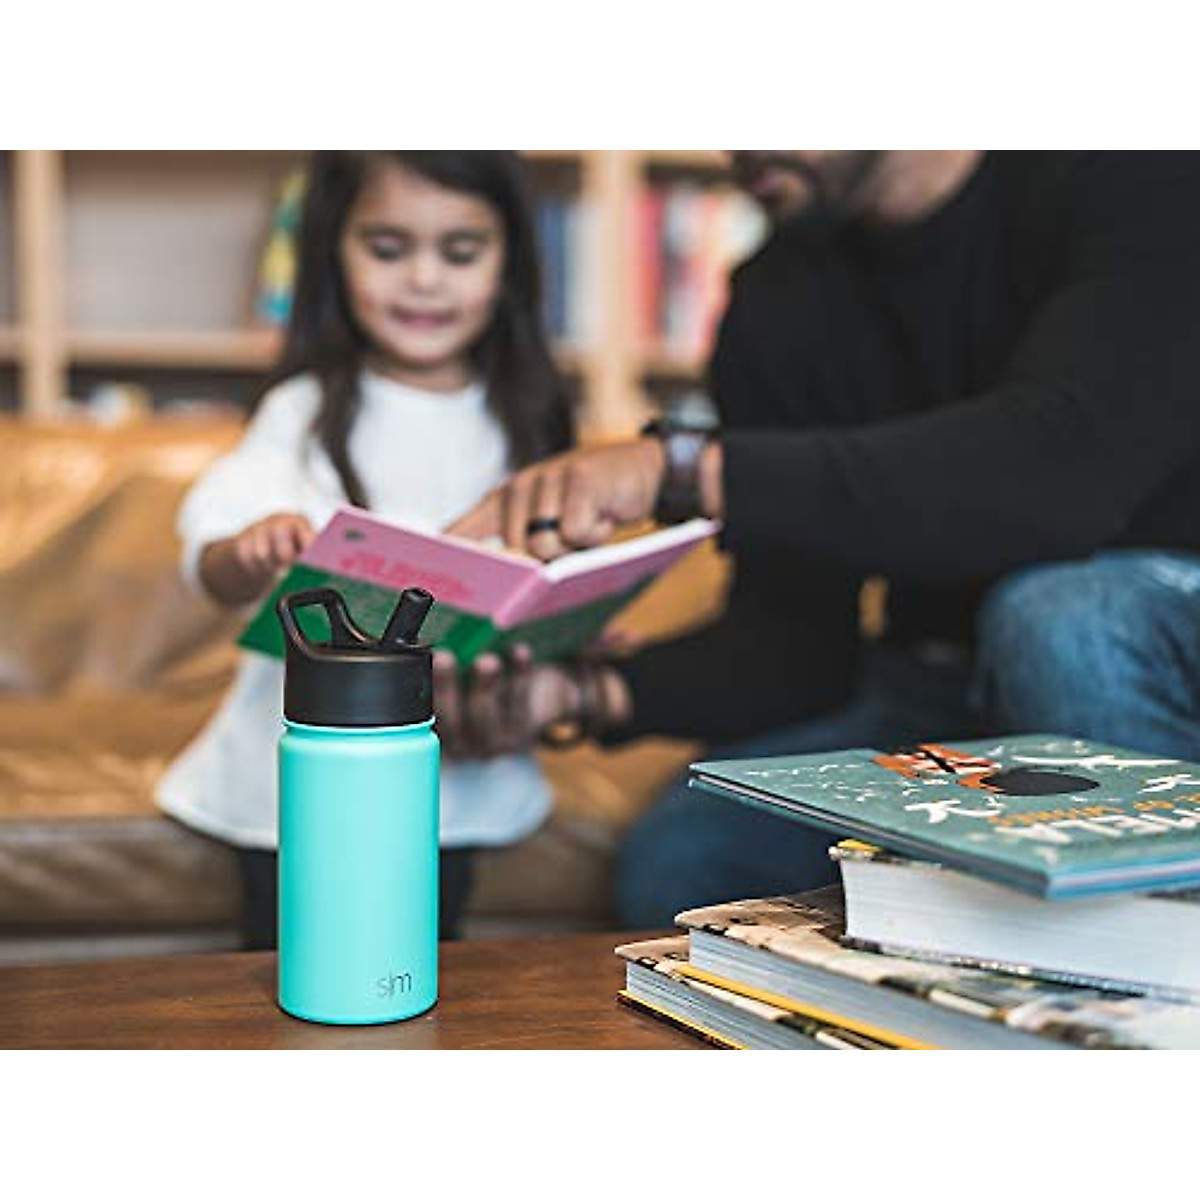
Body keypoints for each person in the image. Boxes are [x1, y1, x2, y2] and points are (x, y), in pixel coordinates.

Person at [447, 151, 1200, 927]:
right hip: (944, 689)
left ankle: (1151, 955)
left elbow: (1059, 474)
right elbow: (796, 643)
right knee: (689, 857)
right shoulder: (778, 293)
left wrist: (683, 471)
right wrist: (581, 693)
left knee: (1065, 623)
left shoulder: (1139, 175)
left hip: (1156, 645)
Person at [156, 150, 576, 947]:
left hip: (456, 773)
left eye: (461, 252)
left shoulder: (526, 418)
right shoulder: (304, 409)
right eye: (388, 249)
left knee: (429, 959)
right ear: (332, 253)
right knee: (294, 952)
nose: (424, 280)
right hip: (296, 776)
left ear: (510, 264)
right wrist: (245, 550)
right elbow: (210, 555)